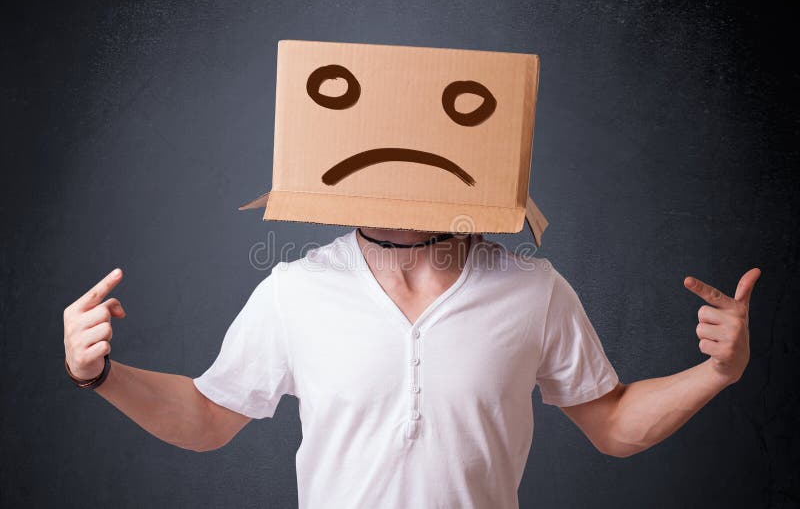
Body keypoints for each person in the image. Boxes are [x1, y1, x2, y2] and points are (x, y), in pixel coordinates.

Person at [62, 227, 760, 508]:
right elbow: (210, 418)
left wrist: (716, 374)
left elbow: (610, 424)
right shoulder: (295, 289)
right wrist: (101, 376)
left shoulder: (533, 288)